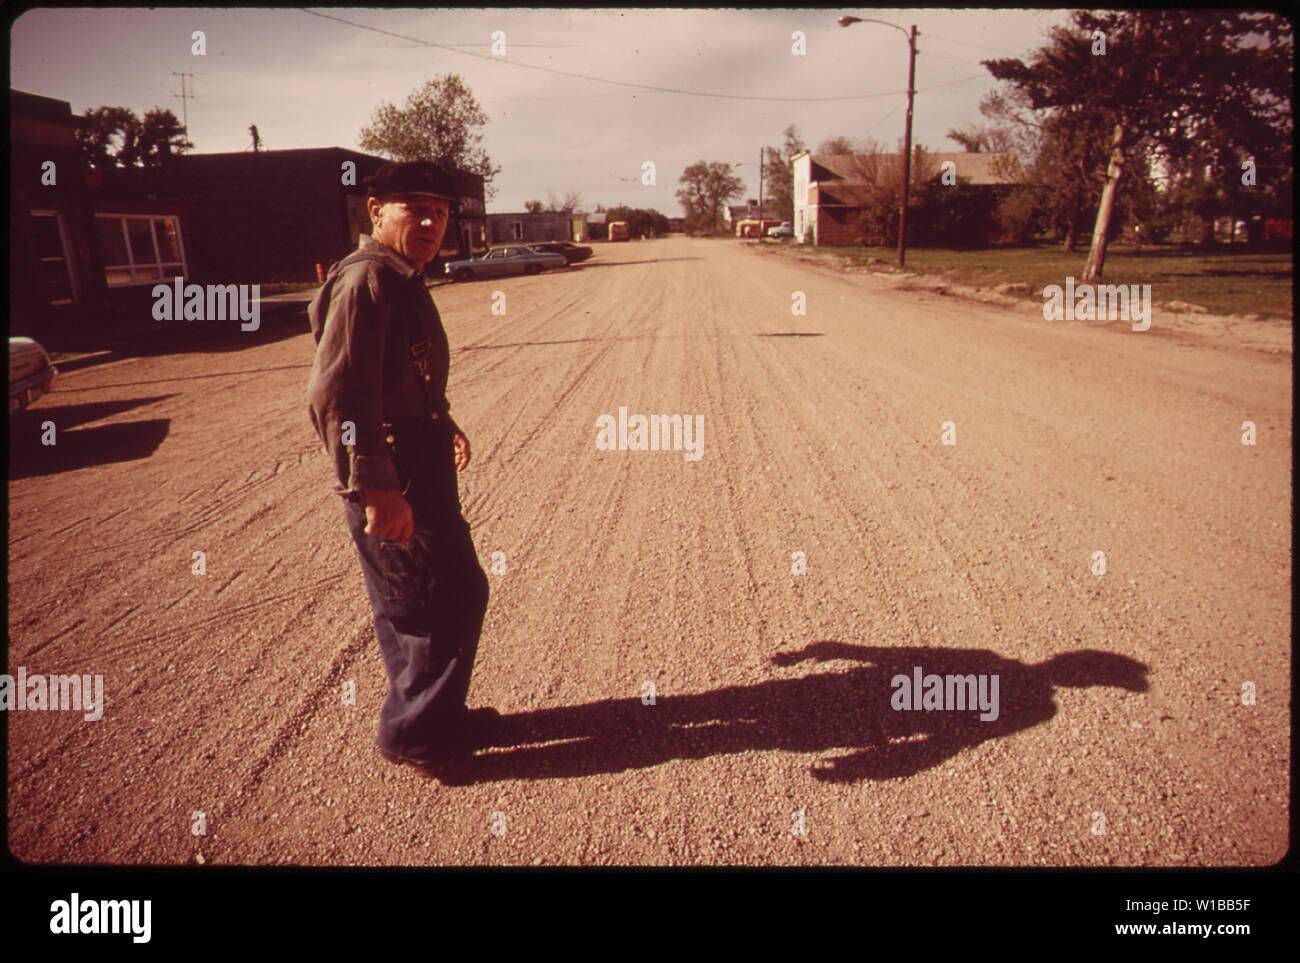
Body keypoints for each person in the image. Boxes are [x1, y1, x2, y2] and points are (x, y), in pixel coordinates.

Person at [306, 161, 494, 782]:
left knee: (414, 600)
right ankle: (415, 736)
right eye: (416, 208)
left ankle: (433, 717)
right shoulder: (367, 281)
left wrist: (442, 420)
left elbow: (397, 377)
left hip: (417, 449)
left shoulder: (400, 276)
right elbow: (341, 398)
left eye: (440, 212)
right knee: (441, 597)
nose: (431, 222)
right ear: (376, 209)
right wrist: (377, 488)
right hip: (393, 466)